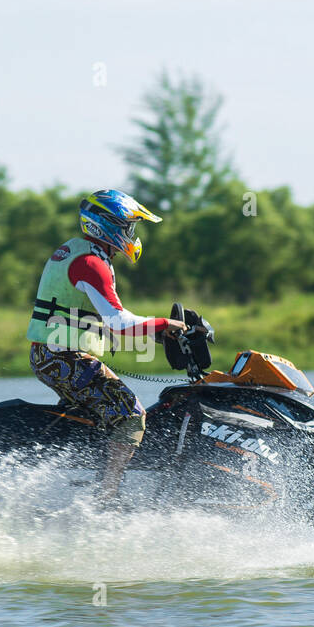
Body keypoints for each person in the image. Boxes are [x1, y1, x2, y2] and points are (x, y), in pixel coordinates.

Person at [26, 188, 186, 501]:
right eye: (129, 227)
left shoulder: (81, 252)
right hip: (64, 359)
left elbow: (100, 321)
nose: (132, 234)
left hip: (55, 355)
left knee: (100, 418)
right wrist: (165, 324)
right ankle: (107, 499)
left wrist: (156, 334)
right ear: (108, 224)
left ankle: (84, 480)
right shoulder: (90, 263)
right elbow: (118, 322)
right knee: (129, 414)